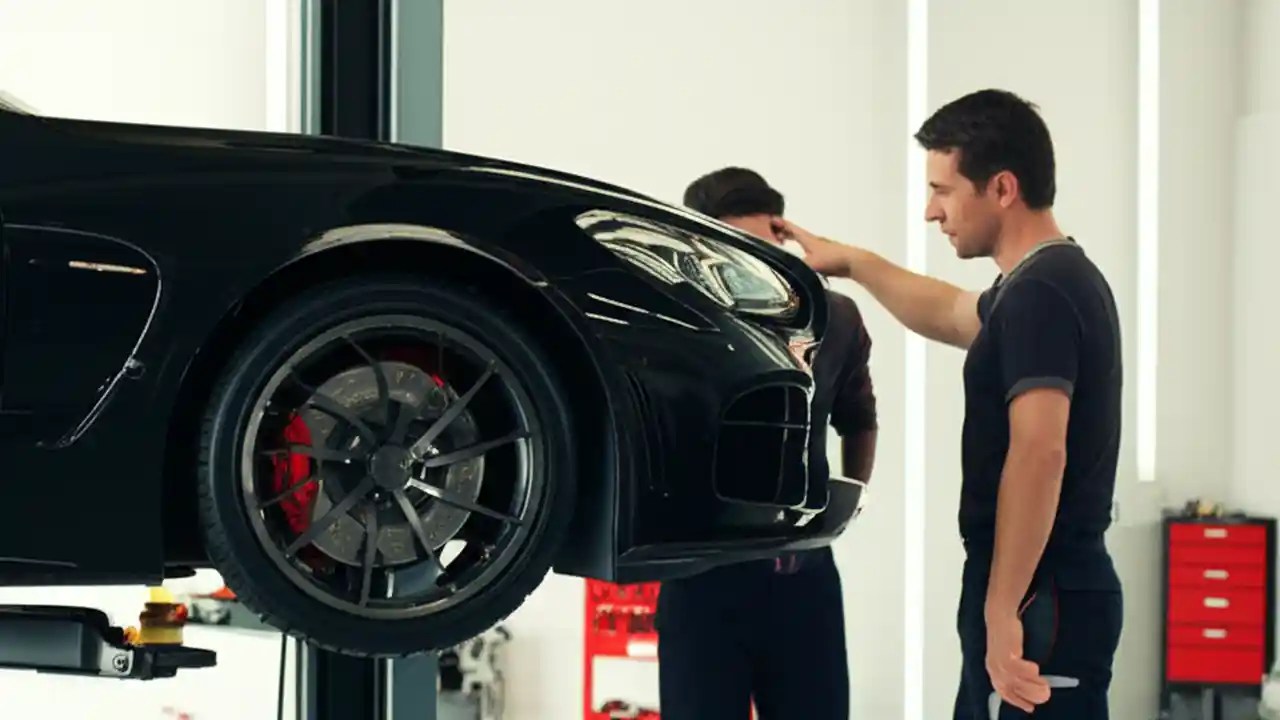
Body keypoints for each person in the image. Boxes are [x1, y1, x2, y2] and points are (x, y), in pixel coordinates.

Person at [781, 89, 1124, 719]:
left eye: (943, 190)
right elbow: (947, 310)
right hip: (1043, 590)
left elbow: (1040, 452)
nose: (930, 212)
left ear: (1001, 188)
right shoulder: (1041, 285)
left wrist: (1002, 608)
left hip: (1036, 595)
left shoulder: (1042, 294)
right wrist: (852, 262)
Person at [654, 167, 879, 720]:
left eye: (770, 245)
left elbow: (860, 417)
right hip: (700, 580)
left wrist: (846, 507)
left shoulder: (836, 320)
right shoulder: (671, 321)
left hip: (801, 580)